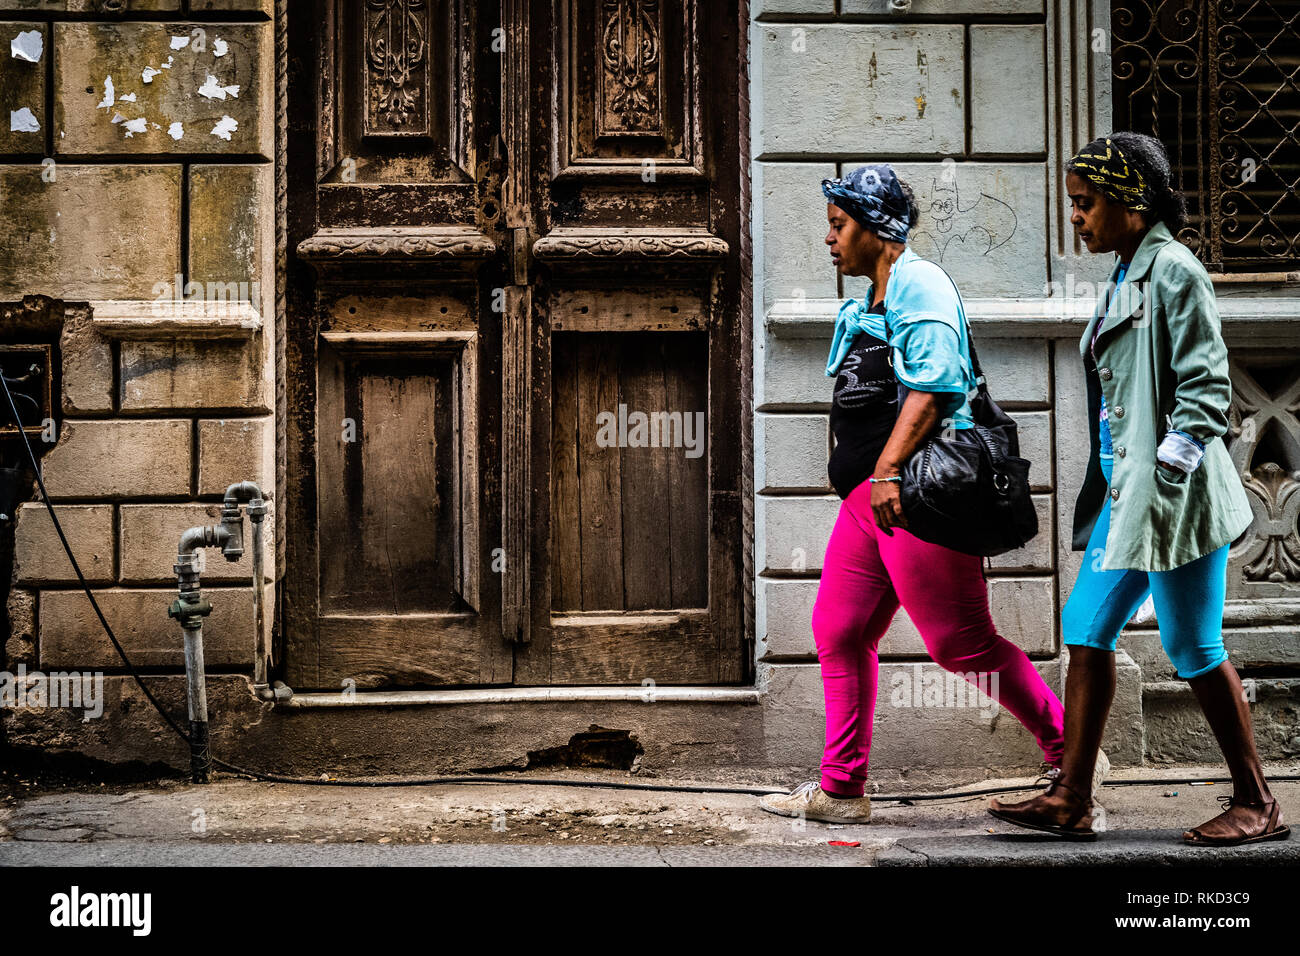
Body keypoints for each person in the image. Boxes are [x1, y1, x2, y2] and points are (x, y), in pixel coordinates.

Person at [760, 164, 1103, 826]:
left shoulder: (920, 285)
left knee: (960, 643)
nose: (829, 240)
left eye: (839, 226)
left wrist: (887, 472)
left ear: (877, 229)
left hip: (918, 496)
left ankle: (1072, 752)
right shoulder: (873, 298)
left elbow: (937, 385)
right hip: (871, 503)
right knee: (839, 628)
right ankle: (842, 790)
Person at [989, 133, 1288, 845]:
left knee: (1193, 647)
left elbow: (1207, 388)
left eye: (1086, 203)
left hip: (1173, 502)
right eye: (1073, 204)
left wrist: (1166, 476)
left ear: (1132, 201)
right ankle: (1071, 799)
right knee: (1086, 629)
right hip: (1127, 502)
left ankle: (1257, 801)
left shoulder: (1175, 270)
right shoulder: (1128, 274)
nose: (1077, 217)